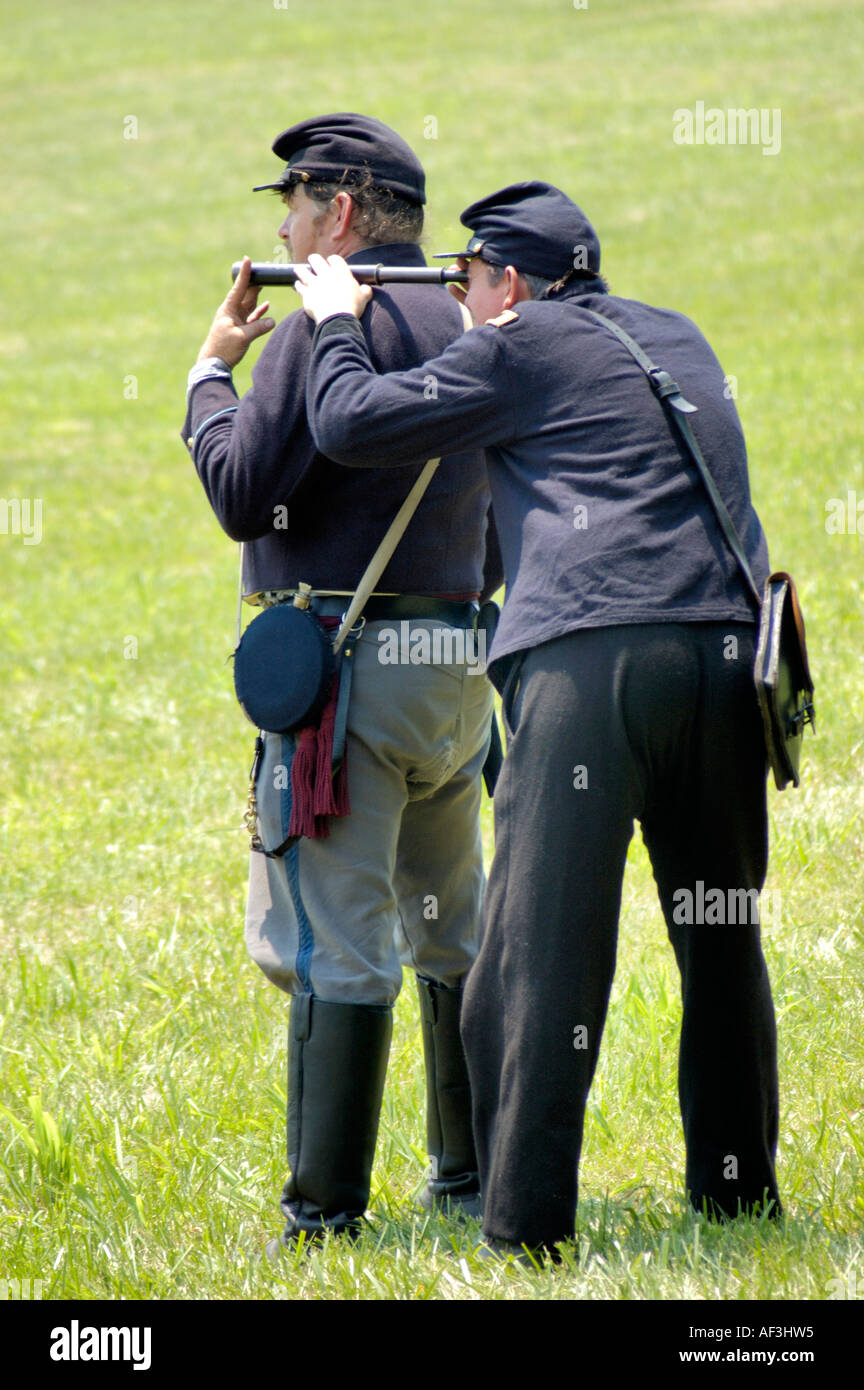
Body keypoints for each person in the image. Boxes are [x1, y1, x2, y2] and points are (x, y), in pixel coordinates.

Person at [293, 180, 783, 1256]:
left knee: (537, 957)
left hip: (594, 664)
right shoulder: (676, 335)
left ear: (508, 281)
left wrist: (333, 321)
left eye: (467, 283)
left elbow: (349, 424)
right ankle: (741, 1198)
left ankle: (523, 1225)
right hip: (726, 657)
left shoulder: (514, 342)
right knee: (720, 938)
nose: (464, 303)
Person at [181, 114, 502, 1245]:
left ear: (347, 212)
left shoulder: (325, 329)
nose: (283, 223)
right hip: (455, 673)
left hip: (351, 688)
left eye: (300, 202)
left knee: (337, 940)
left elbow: (240, 493)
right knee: (448, 926)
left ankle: (323, 1217)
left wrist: (210, 375)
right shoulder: (473, 318)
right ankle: (469, 1179)